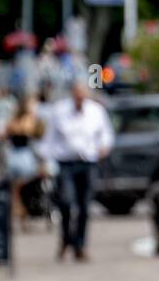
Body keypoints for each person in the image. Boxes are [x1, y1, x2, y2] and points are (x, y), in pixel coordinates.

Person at [40, 80, 113, 261]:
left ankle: (80, 245)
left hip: (88, 163)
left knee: (84, 207)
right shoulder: (60, 111)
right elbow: (49, 139)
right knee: (66, 202)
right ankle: (66, 239)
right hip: (66, 163)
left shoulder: (96, 111)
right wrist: (44, 161)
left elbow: (106, 135)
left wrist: (103, 147)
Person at [2, 94, 45, 228]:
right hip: (19, 155)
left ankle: (21, 209)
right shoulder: (22, 119)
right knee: (17, 185)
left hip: (23, 154)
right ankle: (20, 210)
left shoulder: (23, 120)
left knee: (21, 184)